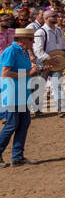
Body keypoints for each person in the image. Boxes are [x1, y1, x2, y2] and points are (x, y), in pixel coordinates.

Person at [1, 27, 36, 166]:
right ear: (22, 39)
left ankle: (17, 157)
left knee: (23, 123)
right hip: (12, 93)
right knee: (11, 125)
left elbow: (26, 71)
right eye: (31, 39)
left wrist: (34, 71)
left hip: (21, 92)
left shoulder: (23, 51)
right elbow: (5, 73)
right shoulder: (11, 51)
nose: (33, 42)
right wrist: (28, 73)